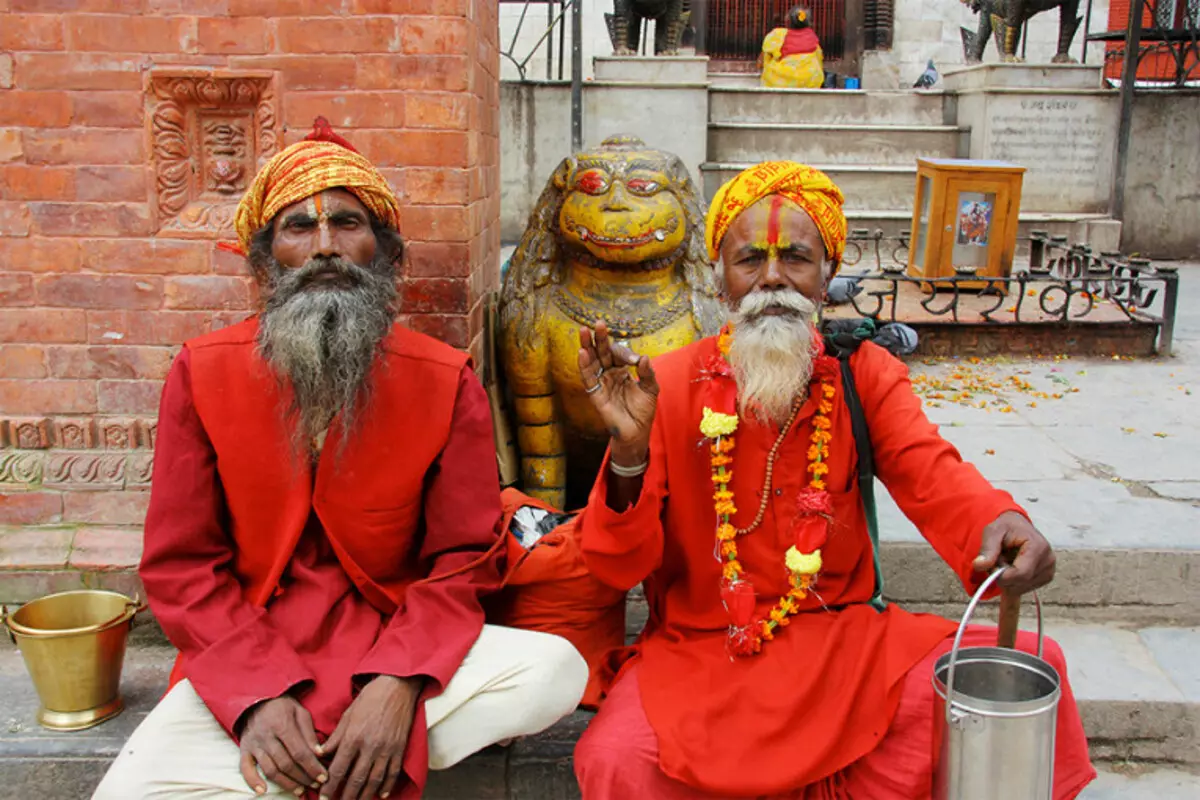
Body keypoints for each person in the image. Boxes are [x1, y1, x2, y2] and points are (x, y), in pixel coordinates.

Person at [93, 120, 587, 800]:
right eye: (298, 227)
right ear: (266, 258)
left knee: (556, 670)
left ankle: (322, 760)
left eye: (348, 223)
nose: (325, 245)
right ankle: (330, 758)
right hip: (253, 646)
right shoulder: (202, 374)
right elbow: (181, 568)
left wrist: (398, 685)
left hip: (392, 642)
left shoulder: (445, 380)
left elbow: (467, 558)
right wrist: (257, 696)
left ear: (385, 249)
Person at [571, 161, 1096, 798]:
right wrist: (629, 450)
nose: (770, 277)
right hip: (704, 648)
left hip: (842, 645)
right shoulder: (670, 383)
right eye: (748, 261)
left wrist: (999, 524)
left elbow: (931, 471)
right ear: (720, 283)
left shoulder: (861, 374)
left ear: (827, 275)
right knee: (616, 756)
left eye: (794, 257)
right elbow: (610, 562)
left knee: (1032, 670)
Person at [761, 7, 825, 89]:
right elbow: (819, 60)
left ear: (787, 21)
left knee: (767, 55)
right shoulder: (813, 38)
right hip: (810, 80)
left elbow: (763, 59)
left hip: (782, 80)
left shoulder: (777, 35)